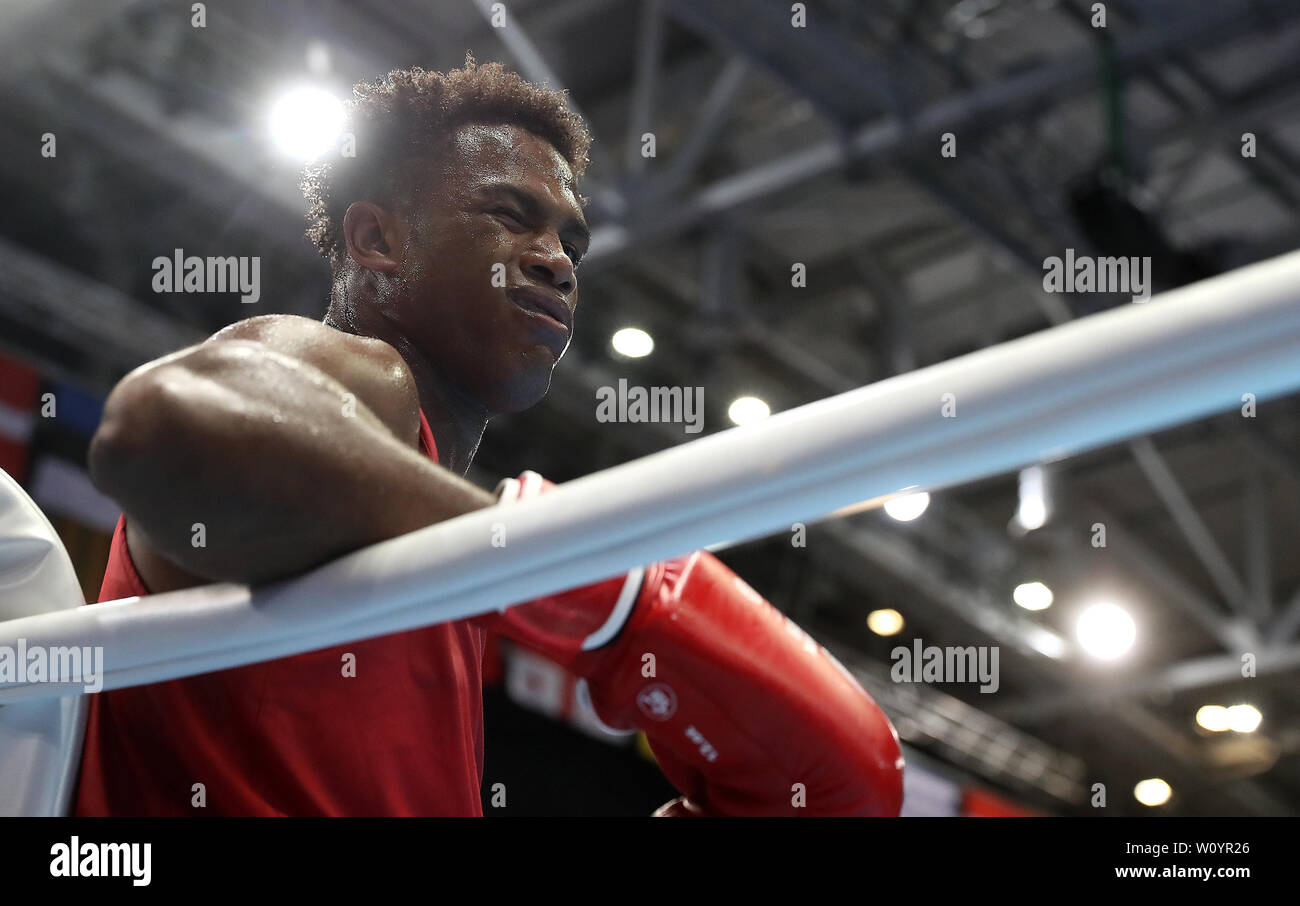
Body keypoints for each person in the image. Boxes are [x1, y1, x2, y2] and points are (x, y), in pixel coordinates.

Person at [78, 57, 903, 816]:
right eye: (512, 217)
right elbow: (162, 424)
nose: (557, 261)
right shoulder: (364, 378)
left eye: (572, 242)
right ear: (378, 240)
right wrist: (568, 578)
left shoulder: (427, 554)